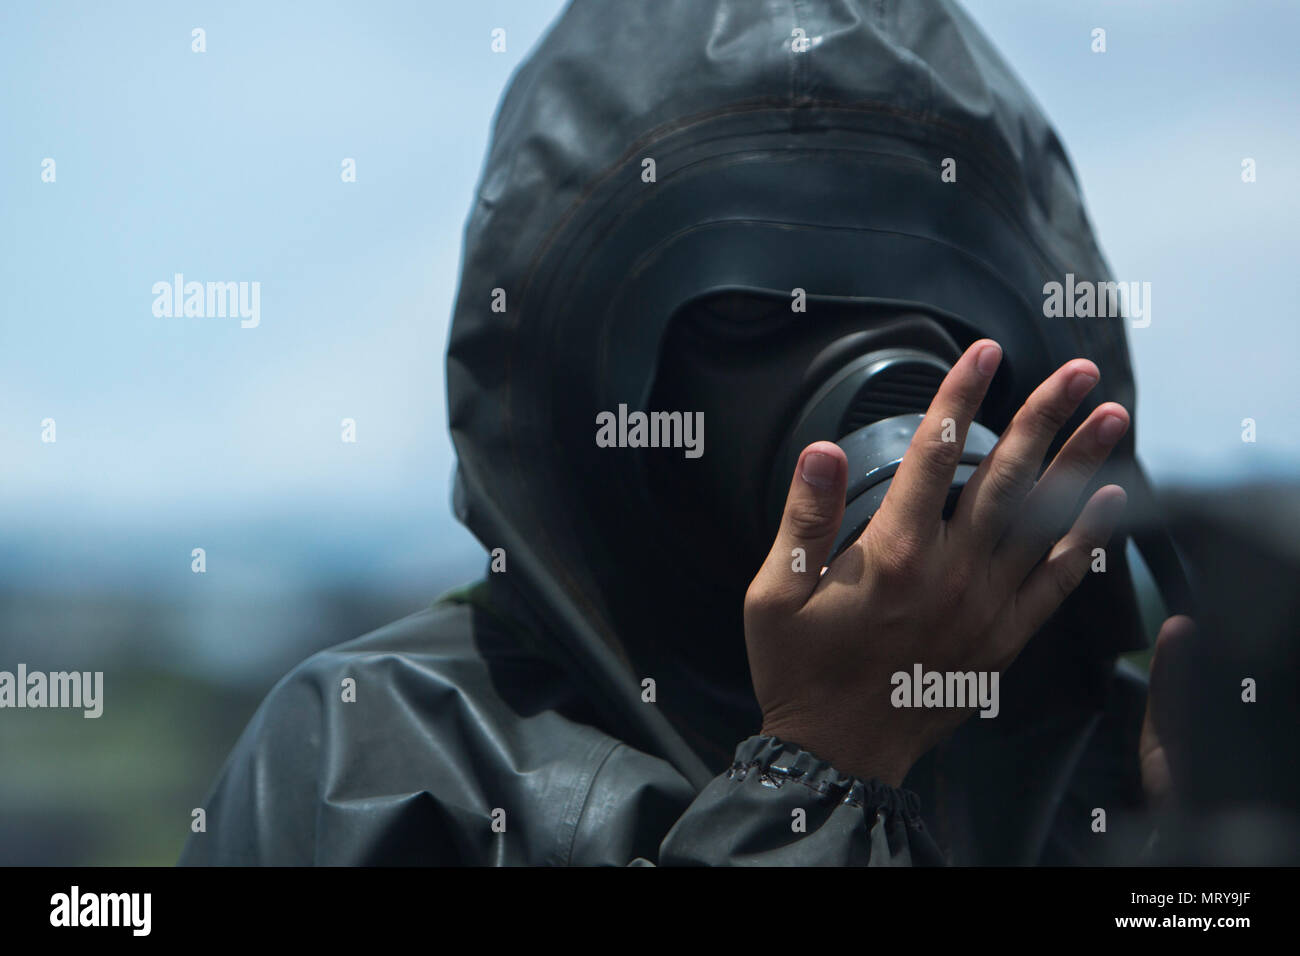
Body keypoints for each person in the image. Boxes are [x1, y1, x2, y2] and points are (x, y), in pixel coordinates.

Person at [180, 0, 1188, 866]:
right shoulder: (378, 764)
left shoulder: (1110, 758)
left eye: (947, 323)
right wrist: (820, 772)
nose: (900, 400)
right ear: (582, 376)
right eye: (750, 316)